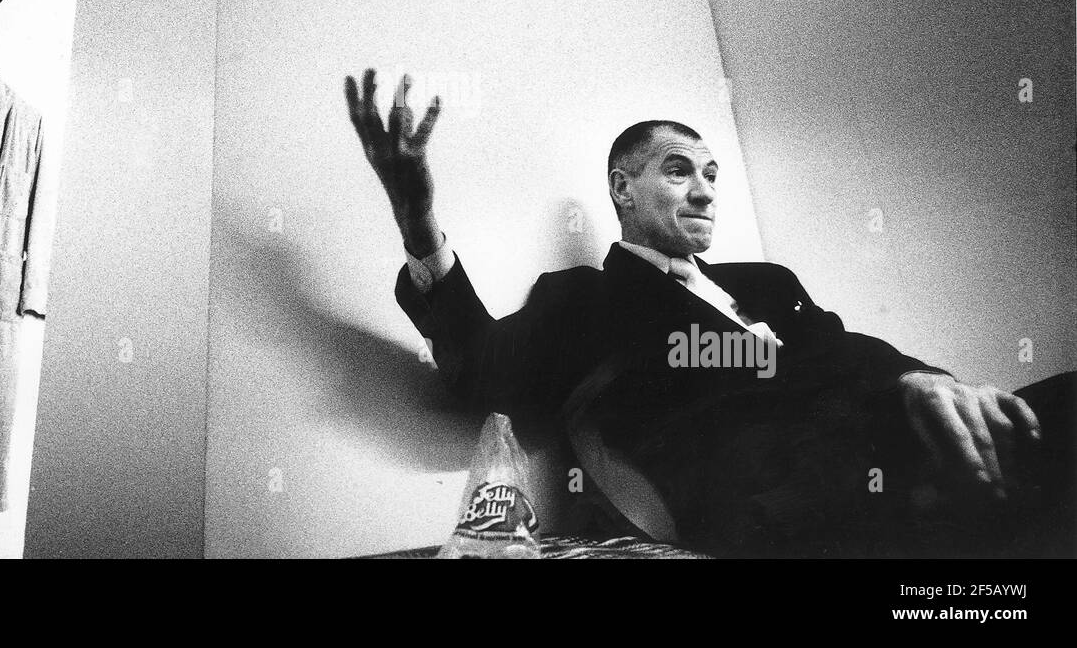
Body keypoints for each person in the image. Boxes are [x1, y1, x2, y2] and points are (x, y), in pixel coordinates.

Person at [344, 68, 1074, 557]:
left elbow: (842, 351)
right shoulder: (583, 301)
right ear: (622, 190)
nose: (704, 191)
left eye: (712, 175)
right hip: (776, 508)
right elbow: (481, 366)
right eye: (677, 170)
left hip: (896, 446)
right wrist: (417, 220)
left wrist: (924, 381)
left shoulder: (766, 280)